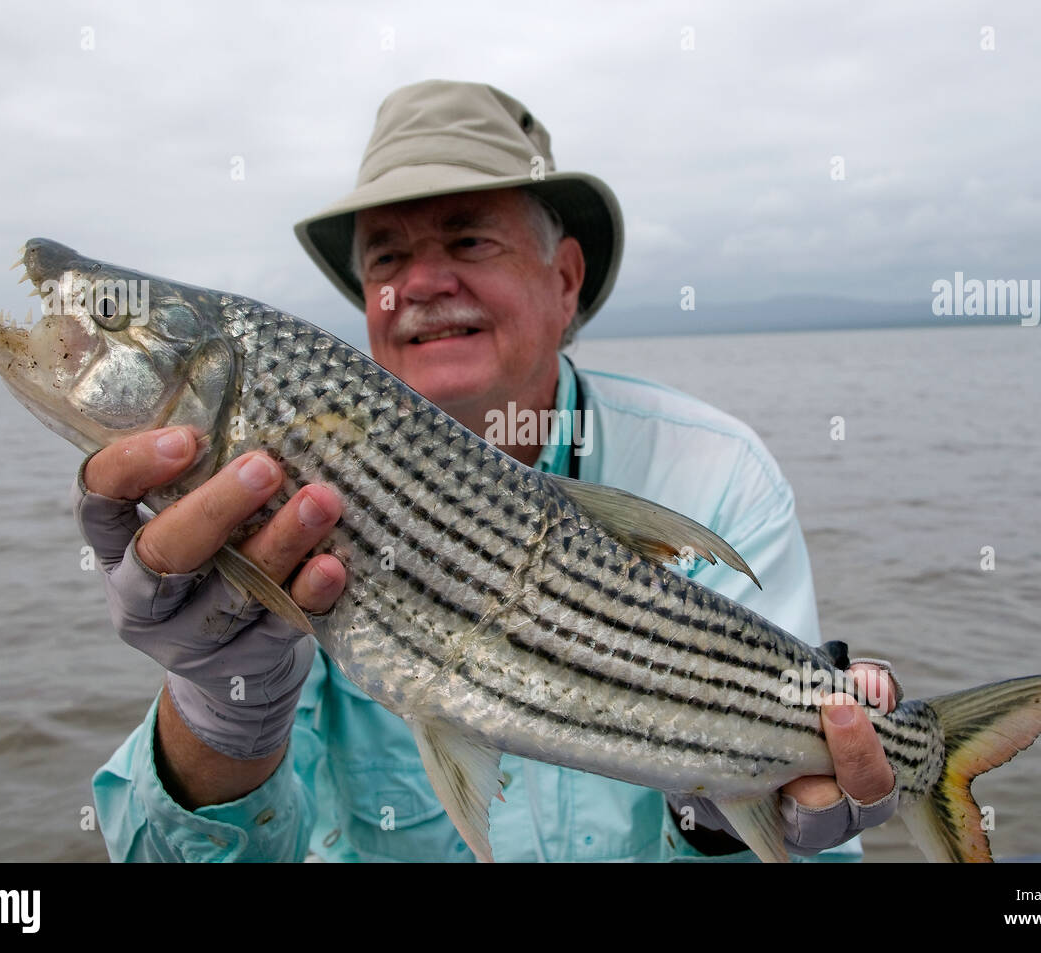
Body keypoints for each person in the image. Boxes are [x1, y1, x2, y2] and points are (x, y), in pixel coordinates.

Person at [83, 80, 900, 862]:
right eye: (387, 258)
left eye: (469, 240)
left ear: (565, 279)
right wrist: (219, 713)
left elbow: (819, 844)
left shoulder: (719, 472)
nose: (423, 285)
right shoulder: (276, 494)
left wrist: (725, 812)